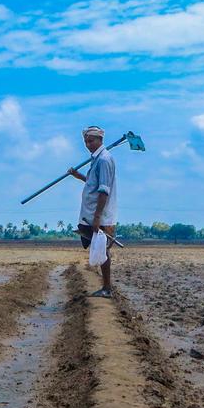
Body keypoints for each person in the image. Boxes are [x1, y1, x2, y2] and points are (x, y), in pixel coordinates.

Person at [67, 125, 117, 298]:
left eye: (91, 140)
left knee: (103, 248)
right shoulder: (96, 159)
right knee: (95, 242)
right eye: (86, 141)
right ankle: (106, 287)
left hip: (100, 215)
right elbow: (92, 181)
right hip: (91, 213)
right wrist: (78, 175)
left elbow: (103, 190)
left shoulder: (103, 159)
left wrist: (97, 217)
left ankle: (107, 288)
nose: (88, 144)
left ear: (100, 140)